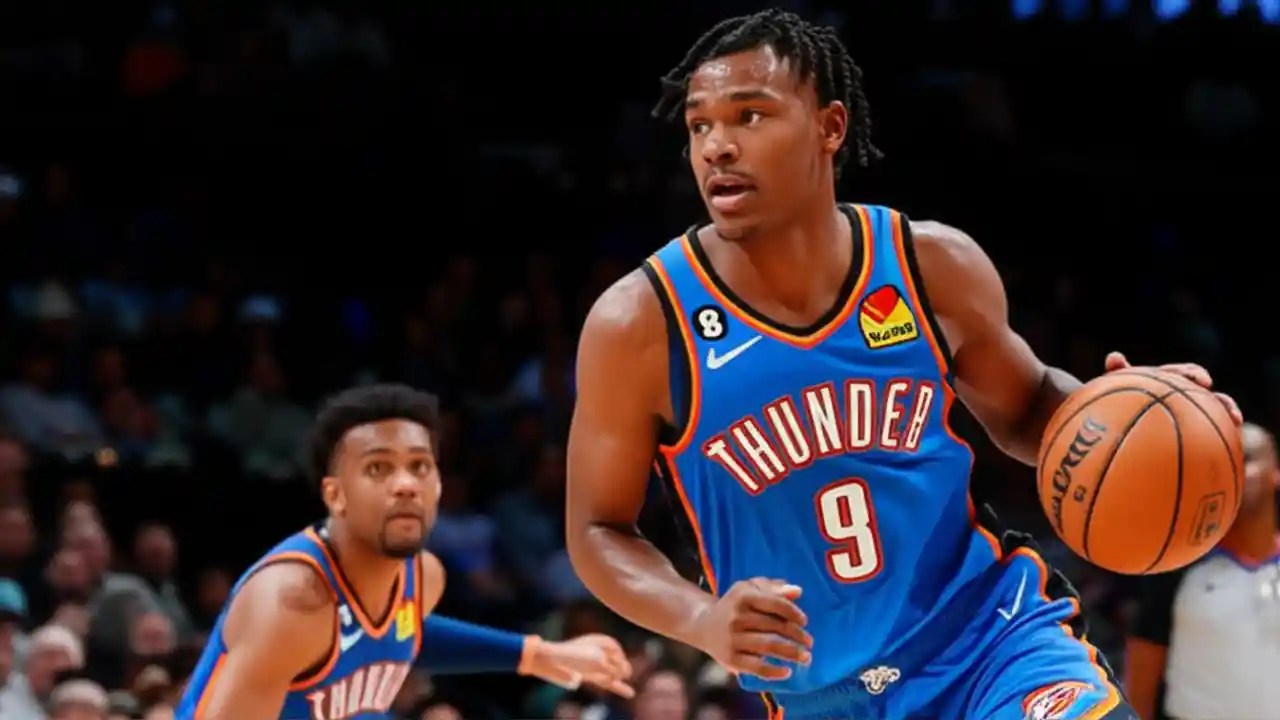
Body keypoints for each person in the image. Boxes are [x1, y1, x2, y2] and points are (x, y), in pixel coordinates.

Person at [564, 9, 1242, 720]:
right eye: (700, 126)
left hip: (990, 644)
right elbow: (597, 530)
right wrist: (698, 618)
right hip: (820, 698)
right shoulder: (641, 323)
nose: (718, 148)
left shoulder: (928, 266)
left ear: (830, 127)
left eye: (750, 117)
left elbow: (1030, 409)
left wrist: (1136, 412)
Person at [177, 384, 632, 719]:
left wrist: (536, 654)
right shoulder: (293, 603)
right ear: (336, 495)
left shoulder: (422, 576)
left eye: (420, 466)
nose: (405, 485)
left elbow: (400, 633)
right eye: (378, 468)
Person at [1125, 422, 1280, 720]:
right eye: (1224, 464)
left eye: (1245, 459)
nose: (1234, 473)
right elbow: (1142, 667)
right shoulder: (1175, 565)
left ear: (1275, 472)